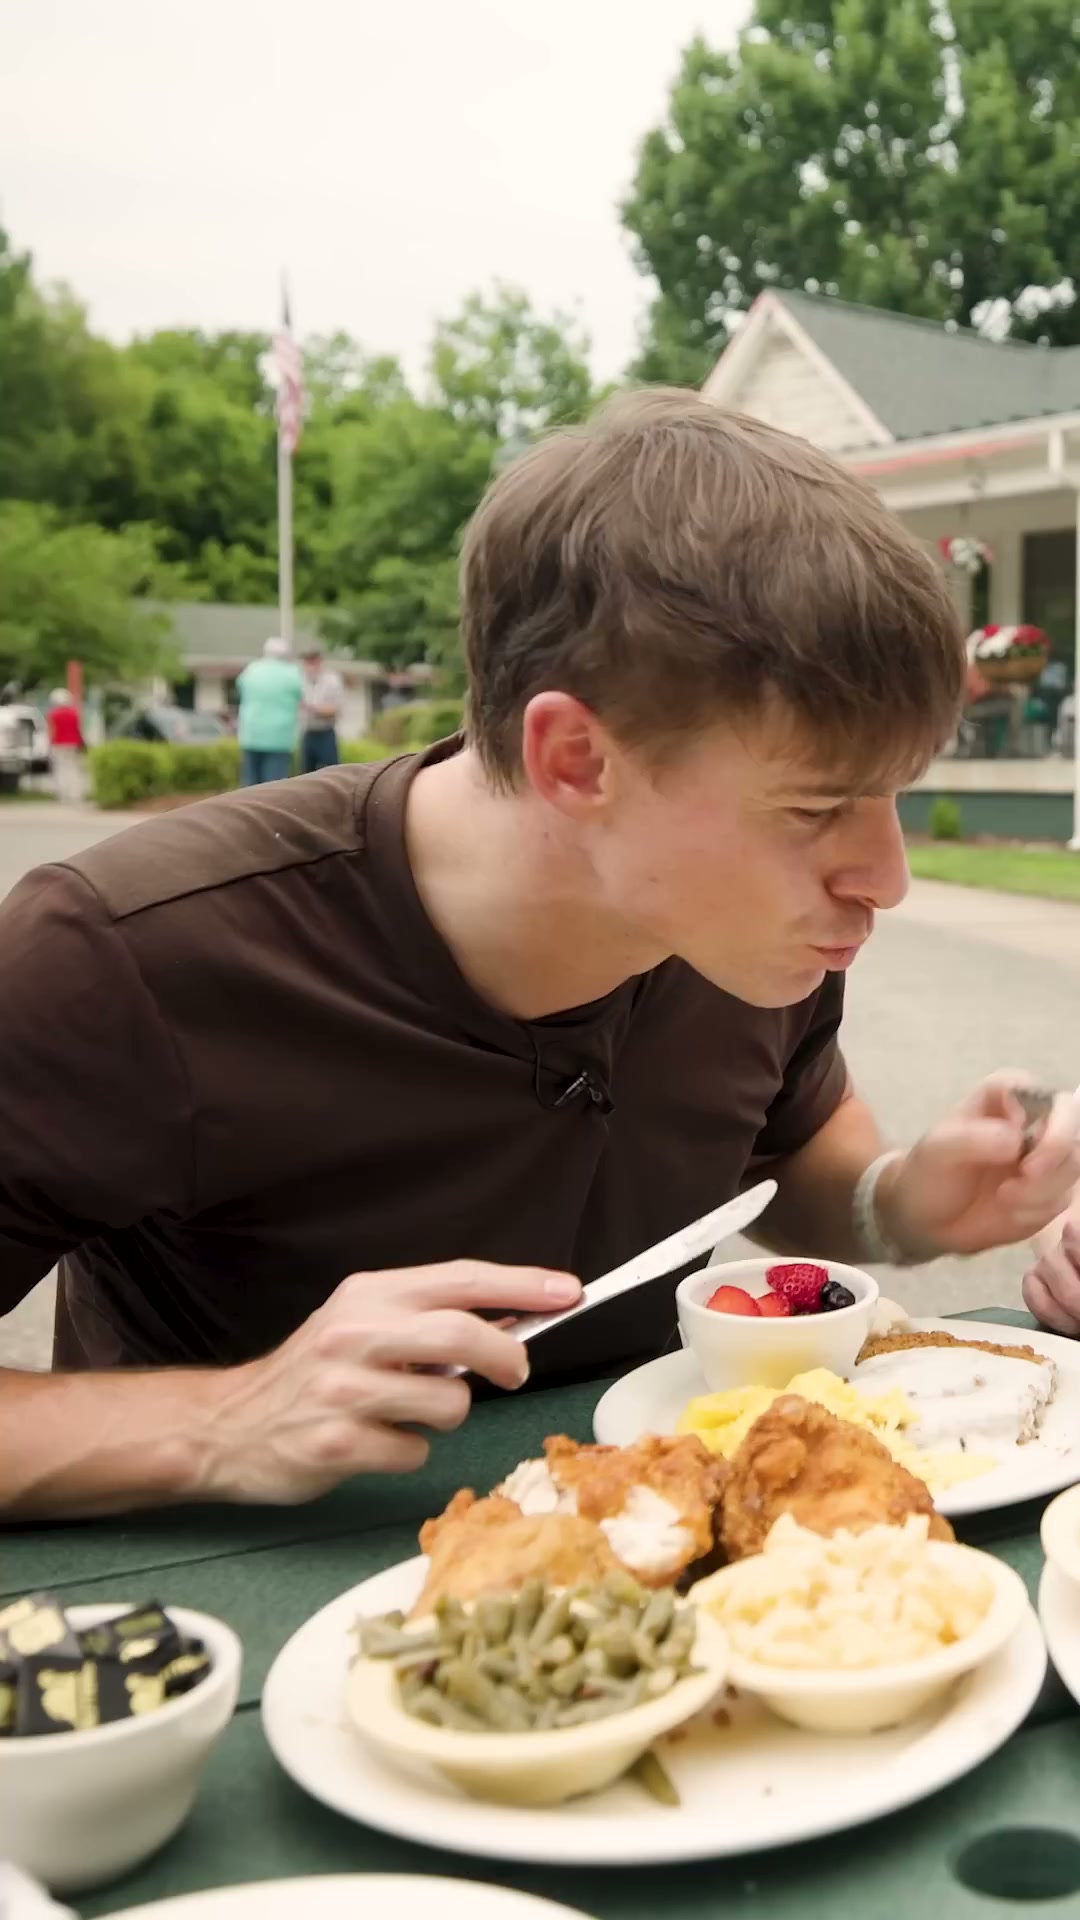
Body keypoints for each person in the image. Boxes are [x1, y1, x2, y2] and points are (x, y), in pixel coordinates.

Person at [1, 391, 1078, 1525]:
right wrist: (221, 1420)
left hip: (676, 1568)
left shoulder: (748, 933)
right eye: (816, 806)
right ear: (575, 758)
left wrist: (901, 1205)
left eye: (893, 796)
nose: (887, 877)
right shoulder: (121, 957)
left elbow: (791, 1149)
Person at [235, 637, 304, 786]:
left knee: (249, 785)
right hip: (279, 738)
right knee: (272, 788)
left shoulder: (252, 669)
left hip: (251, 734)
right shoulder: (292, 673)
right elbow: (303, 696)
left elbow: (240, 688)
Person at [299, 647, 344, 773]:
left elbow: (335, 709)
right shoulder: (301, 680)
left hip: (325, 732)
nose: (310, 665)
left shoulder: (331, 680)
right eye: (307, 661)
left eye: (312, 661)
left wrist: (313, 708)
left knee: (332, 773)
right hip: (308, 732)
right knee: (306, 774)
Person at [46, 689, 85, 805]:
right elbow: (78, 729)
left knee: (60, 769)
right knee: (73, 768)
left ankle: (63, 794)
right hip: (73, 744)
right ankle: (76, 795)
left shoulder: (53, 714)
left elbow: (51, 731)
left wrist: (48, 744)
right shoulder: (74, 713)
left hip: (58, 744)